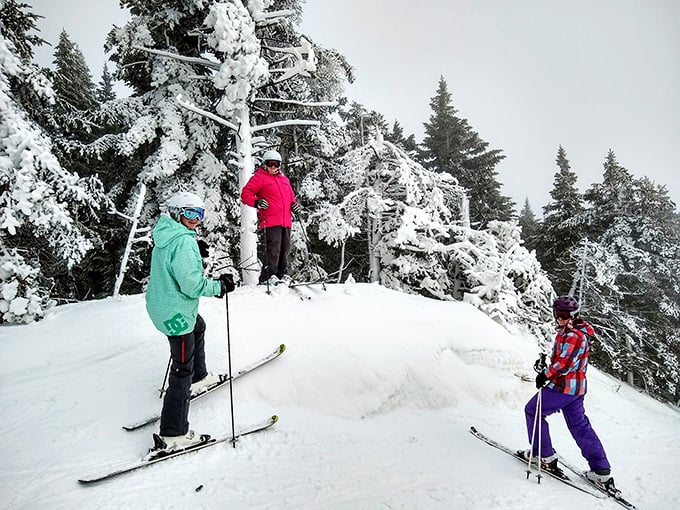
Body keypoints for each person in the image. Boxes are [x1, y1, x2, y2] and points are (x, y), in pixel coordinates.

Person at [145, 191, 235, 451]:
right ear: (176, 213)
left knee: (200, 326)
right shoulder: (182, 242)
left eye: (200, 213)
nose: (196, 219)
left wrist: (195, 246)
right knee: (180, 368)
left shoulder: (167, 234)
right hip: (176, 315)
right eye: (190, 213)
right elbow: (192, 285)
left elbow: (174, 259)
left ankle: (199, 376)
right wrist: (219, 286)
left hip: (162, 307)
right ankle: (173, 432)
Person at [522, 295, 615, 490]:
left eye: (564, 315)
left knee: (533, 411)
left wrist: (545, 375)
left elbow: (564, 364)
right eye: (558, 314)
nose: (560, 319)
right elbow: (565, 361)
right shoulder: (571, 332)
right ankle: (601, 471)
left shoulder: (573, 335)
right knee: (580, 426)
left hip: (563, 388)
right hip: (575, 389)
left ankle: (544, 456)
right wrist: (546, 367)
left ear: (573, 315)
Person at [241, 149, 301, 285]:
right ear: (264, 164)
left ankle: (282, 273)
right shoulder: (260, 177)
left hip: (285, 220)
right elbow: (246, 193)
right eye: (270, 163)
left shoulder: (284, 179)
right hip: (270, 220)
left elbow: (291, 197)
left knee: (285, 248)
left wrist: (294, 205)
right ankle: (268, 275)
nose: (273, 167)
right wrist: (257, 202)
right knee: (274, 248)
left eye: (276, 164)